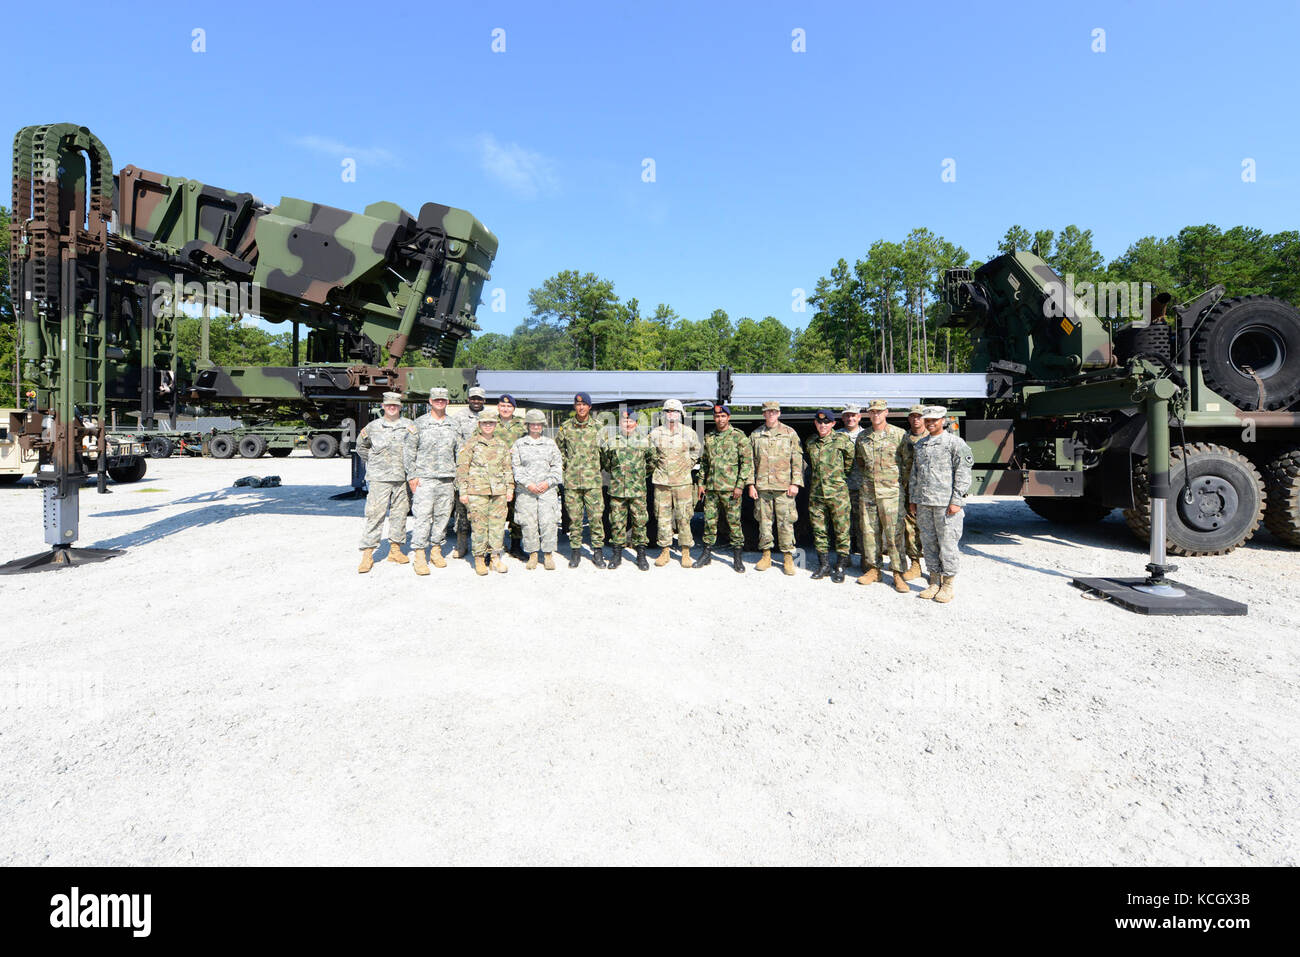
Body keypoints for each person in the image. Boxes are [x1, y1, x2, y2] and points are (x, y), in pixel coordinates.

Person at [908, 405, 973, 603]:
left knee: (948, 545)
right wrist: (913, 499)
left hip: (946, 505)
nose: (930, 423)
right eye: (927, 420)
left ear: (943, 420)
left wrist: (957, 501)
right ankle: (934, 581)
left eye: (934, 420)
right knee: (929, 543)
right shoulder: (921, 445)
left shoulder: (954, 443)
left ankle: (948, 584)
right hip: (925, 502)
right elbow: (915, 474)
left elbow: (963, 473)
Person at [855, 399, 916, 592]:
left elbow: (908, 464)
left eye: (879, 411)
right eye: (872, 412)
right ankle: (874, 569)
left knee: (894, 534)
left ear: (886, 412)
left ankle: (898, 573)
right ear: (868, 414)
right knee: (870, 532)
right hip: (869, 493)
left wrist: (900, 486)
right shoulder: (862, 437)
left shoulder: (899, 435)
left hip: (891, 493)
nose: (876, 415)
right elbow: (861, 463)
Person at [356, 391, 416, 573]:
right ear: (383, 406)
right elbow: (361, 447)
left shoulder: (409, 426)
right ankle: (368, 554)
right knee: (375, 514)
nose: (392, 407)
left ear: (400, 407)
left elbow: (414, 450)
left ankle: (395, 550)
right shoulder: (373, 427)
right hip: (379, 479)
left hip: (401, 478)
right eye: (389, 404)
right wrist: (376, 464)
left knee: (400, 514)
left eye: (396, 405)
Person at [404, 386, 461, 575]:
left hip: (447, 479)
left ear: (447, 402)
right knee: (422, 517)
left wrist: (458, 477)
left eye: (443, 400)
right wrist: (412, 475)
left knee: (443, 517)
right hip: (425, 479)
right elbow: (409, 451)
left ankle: (436, 550)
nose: (439, 402)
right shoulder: (418, 424)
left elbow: (459, 453)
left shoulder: (454, 425)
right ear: (430, 402)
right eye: (436, 400)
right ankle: (420, 555)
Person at [456, 409, 514, 575]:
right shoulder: (471, 444)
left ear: (495, 425)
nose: (488, 426)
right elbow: (462, 468)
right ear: (479, 424)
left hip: (498, 492)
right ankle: (480, 559)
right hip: (477, 491)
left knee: (497, 526)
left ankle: (495, 558)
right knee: (479, 526)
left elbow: (507, 468)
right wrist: (463, 491)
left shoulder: (502, 445)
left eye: (491, 423)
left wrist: (509, 488)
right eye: (484, 423)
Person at [748, 400, 803, 575]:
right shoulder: (756, 435)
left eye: (774, 411)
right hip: (762, 486)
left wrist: (795, 482)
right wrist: (750, 484)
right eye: (767, 412)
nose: (770, 414)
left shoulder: (789, 433)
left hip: (783, 487)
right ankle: (766, 555)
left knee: (786, 522)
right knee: (764, 522)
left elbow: (797, 460)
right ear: (763, 414)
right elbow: (749, 462)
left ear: (778, 413)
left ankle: (788, 557)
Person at [697, 403, 753, 573]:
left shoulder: (739, 437)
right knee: (709, 522)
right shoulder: (709, 437)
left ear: (728, 417)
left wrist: (740, 486)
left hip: (731, 489)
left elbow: (746, 463)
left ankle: (737, 558)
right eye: (716, 416)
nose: (719, 419)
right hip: (712, 488)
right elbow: (705, 462)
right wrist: (700, 483)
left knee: (734, 523)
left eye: (722, 416)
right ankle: (706, 554)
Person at [648, 398, 702, 567]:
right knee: (662, 518)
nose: (671, 414)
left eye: (675, 411)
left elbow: (697, 450)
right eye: (668, 411)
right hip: (662, 483)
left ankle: (685, 552)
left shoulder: (689, 433)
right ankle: (665, 551)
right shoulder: (655, 433)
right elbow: (649, 454)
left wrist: (689, 464)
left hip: (682, 483)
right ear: (664, 414)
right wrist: (656, 466)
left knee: (684, 517)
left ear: (680, 414)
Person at [600, 408, 654, 570]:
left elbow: (651, 463)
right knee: (617, 523)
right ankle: (616, 555)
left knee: (640, 523)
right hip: (617, 490)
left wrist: (639, 477)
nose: (628, 424)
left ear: (636, 423)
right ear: (620, 423)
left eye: (630, 421)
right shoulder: (611, 442)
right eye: (624, 421)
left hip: (638, 491)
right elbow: (607, 464)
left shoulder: (645, 442)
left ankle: (641, 555)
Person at [556, 391, 606, 567]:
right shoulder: (566, 427)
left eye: (584, 404)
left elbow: (605, 453)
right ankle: (575, 551)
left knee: (596, 518)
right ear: (574, 406)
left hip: (593, 481)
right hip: (572, 481)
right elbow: (559, 450)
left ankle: (597, 552)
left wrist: (597, 467)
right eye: (578, 404)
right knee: (575, 518)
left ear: (590, 407)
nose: (581, 407)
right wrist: (566, 467)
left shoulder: (599, 428)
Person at [805, 409, 855, 582]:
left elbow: (849, 464)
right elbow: (811, 465)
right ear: (815, 423)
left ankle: (841, 565)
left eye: (827, 422)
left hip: (838, 494)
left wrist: (837, 480)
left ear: (833, 424)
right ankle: (824, 565)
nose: (823, 425)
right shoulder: (811, 442)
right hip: (817, 493)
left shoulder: (842, 441)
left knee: (842, 529)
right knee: (820, 530)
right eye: (819, 422)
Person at [511, 409, 563, 570]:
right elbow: (516, 467)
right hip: (527, 491)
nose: (535, 426)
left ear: (543, 426)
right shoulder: (519, 444)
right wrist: (528, 484)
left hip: (547, 491)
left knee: (548, 522)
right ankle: (533, 554)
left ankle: (547, 555)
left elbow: (557, 466)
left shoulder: (550, 444)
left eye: (538, 424)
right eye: (532, 424)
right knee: (528, 523)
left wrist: (548, 482)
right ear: (527, 425)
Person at [450, 386, 488, 559]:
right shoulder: (458, 417)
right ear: (468, 399)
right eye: (473, 398)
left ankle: (484, 546)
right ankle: (461, 544)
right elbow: (455, 442)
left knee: (483, 510)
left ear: (484, 400)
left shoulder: (490, 417)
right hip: (465, 468)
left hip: (484, 471)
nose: (476, 401)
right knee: (462, 508)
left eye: (479, 399)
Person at [494, 393, 528, 559]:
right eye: (502, 406)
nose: (505, 408)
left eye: (509, 406)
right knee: (496, 511)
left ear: (513, 408)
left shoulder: (522, 425)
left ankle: (516, 546)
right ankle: (494, 547)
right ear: (498, 407)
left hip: (517, 474)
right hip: (495, 475)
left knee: (517, 510)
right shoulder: (489, 422)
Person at [839, 404, 865, 566]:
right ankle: (845, 558)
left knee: (864, 525)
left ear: (859, 417)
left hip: (862, 487)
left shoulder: (866, 435)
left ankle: (865, 559)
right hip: (842, 488)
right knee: (843, 524)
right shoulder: (836, 436)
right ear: (843, 418)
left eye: (853, 415)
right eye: (847, 416)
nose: (850, 418)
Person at [903, 404, 927, 568]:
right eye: (913, 416)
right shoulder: (903, 439)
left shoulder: (932, 438)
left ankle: (935, 569)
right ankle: (915, 563)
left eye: (919, 416)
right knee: (910, 527)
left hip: (928, 491)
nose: (916, 419)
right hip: (907, 489)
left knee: (930, 528)